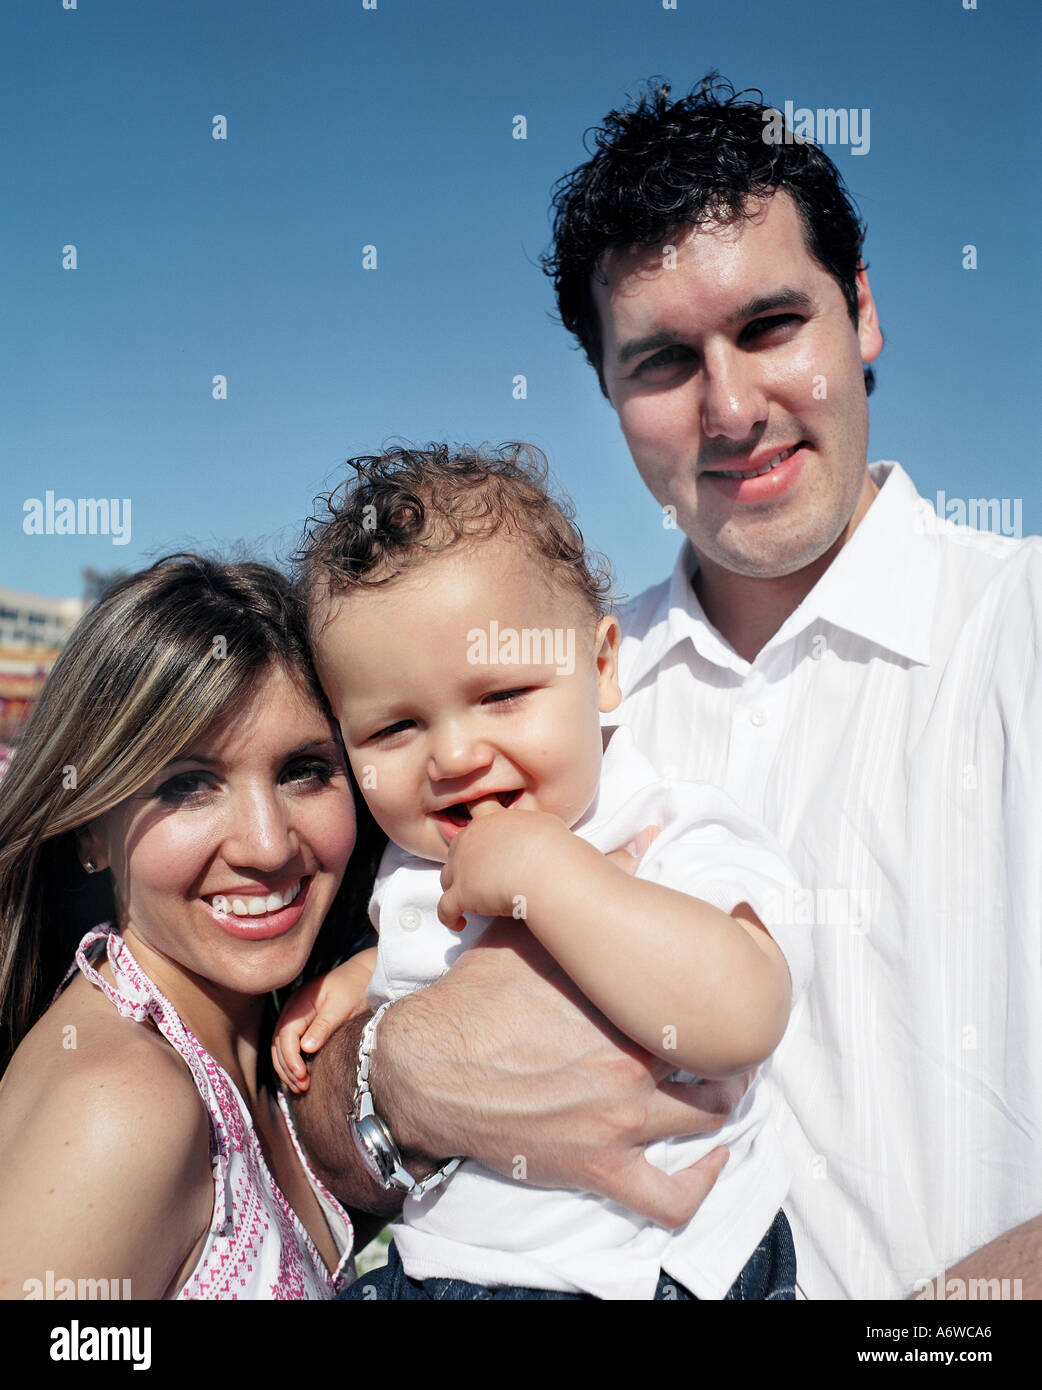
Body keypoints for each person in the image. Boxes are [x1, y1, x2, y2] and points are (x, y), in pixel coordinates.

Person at [293, 75, 1042, 1300]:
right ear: (606, 393)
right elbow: (323, 1102)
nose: (731, 408)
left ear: (859, 313)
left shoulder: (1020, 627)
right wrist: (390, 1079)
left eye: (767, 326)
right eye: (660, 361)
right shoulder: (516, 695)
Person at [276, 443, 809, 1300]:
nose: (452, 754)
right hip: (439, 1274)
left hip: (652, 1274)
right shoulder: (410, 863)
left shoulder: (660, 823)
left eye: (501, 696)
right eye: (394, 729)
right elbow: (437, 962)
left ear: (600, 667)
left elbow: (746, 1013)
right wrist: (363, 978)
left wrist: (556, 881)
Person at [0, 555, 378, 1300]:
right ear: (89, 833)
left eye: (304, 769)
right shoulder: (123, 1106)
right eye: (186, 785)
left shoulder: (255, 1044)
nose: (268, 845)